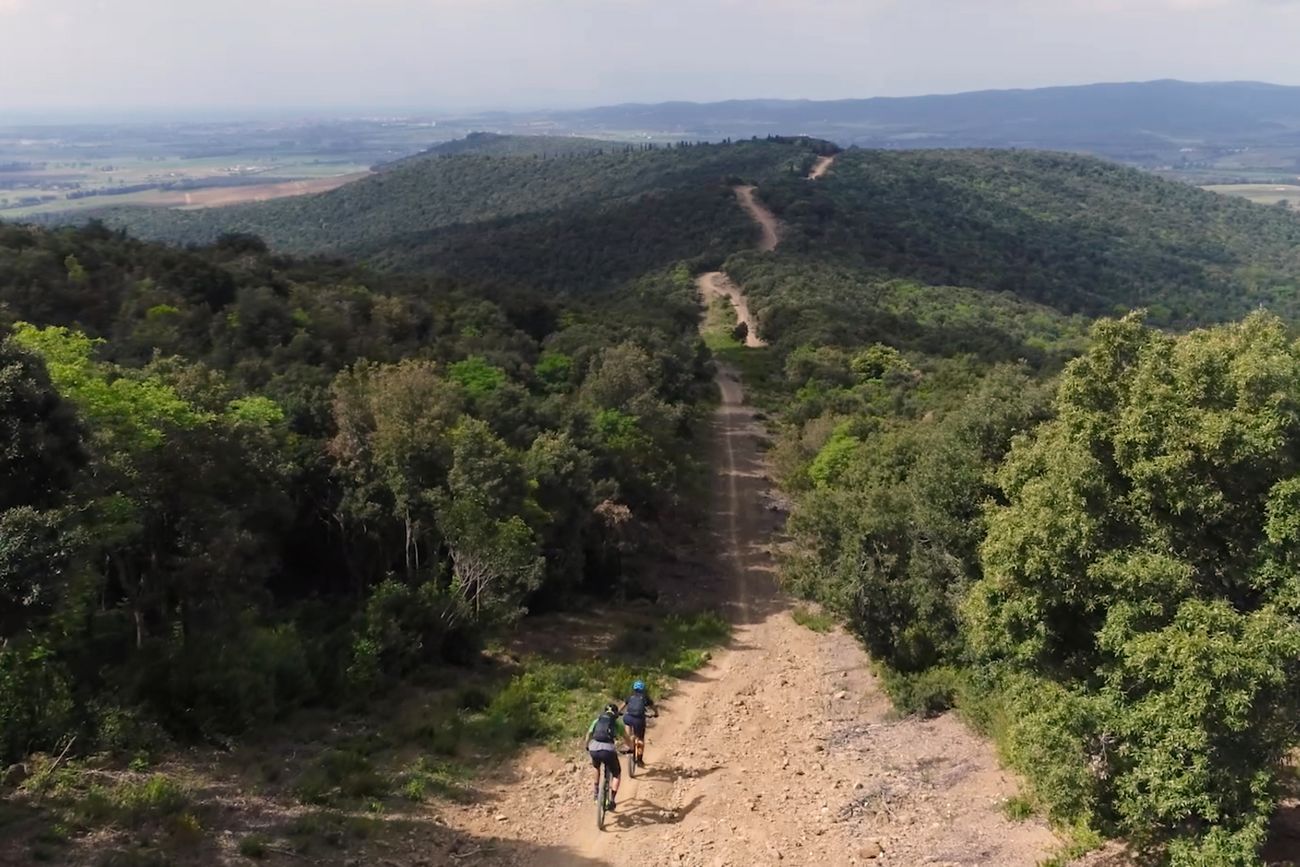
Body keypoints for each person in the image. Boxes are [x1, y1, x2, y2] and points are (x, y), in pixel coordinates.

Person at [585, 702, 626, 810]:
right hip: (608, 750)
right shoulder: (616, 723)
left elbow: (589, 734)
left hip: (594, 748)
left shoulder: (597, 720)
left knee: (596, 767)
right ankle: (612, 800)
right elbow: (626, 738)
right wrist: (631, 749)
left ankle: (596, 791)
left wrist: (587, 745)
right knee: (617, 773)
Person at [622, 679, 657, 765]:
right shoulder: (645, 697)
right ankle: (639, 760)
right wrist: (656, 713)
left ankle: (628, 742)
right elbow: (653, 707)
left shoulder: (630, 696)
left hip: (628, 717)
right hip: (639, 719)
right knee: (640, 738)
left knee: (627, 724)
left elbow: (623, 705)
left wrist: (618, 712)